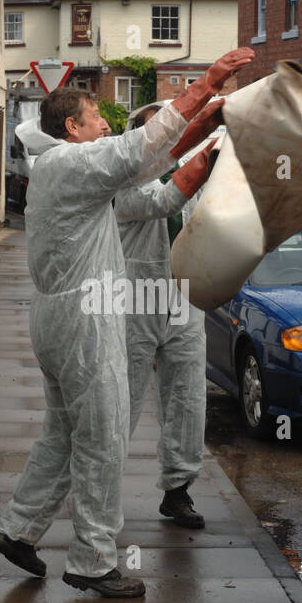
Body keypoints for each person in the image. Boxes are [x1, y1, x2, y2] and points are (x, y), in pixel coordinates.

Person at [0, 49, 254, 598]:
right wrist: (205, 85)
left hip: (61, 316)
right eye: (96, 119)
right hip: (84, 320)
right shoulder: (70, 164)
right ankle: (92, 561)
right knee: (104, 439)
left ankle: (18, 529)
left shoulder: (70, 172)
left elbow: (151, 174)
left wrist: (207, 134)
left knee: (63, 434)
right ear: (72, 127)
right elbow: (139, 148)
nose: (105, 126)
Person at [114, 102, 219, 529]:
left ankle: (178, 490)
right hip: (136, 295)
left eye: (172, 134)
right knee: (124, 396)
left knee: (188, 394)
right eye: (157, 134)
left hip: (183, 293)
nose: (167, 141)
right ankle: (102, 490)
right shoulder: (124, 180)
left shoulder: (190, 174)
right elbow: (161, 201)